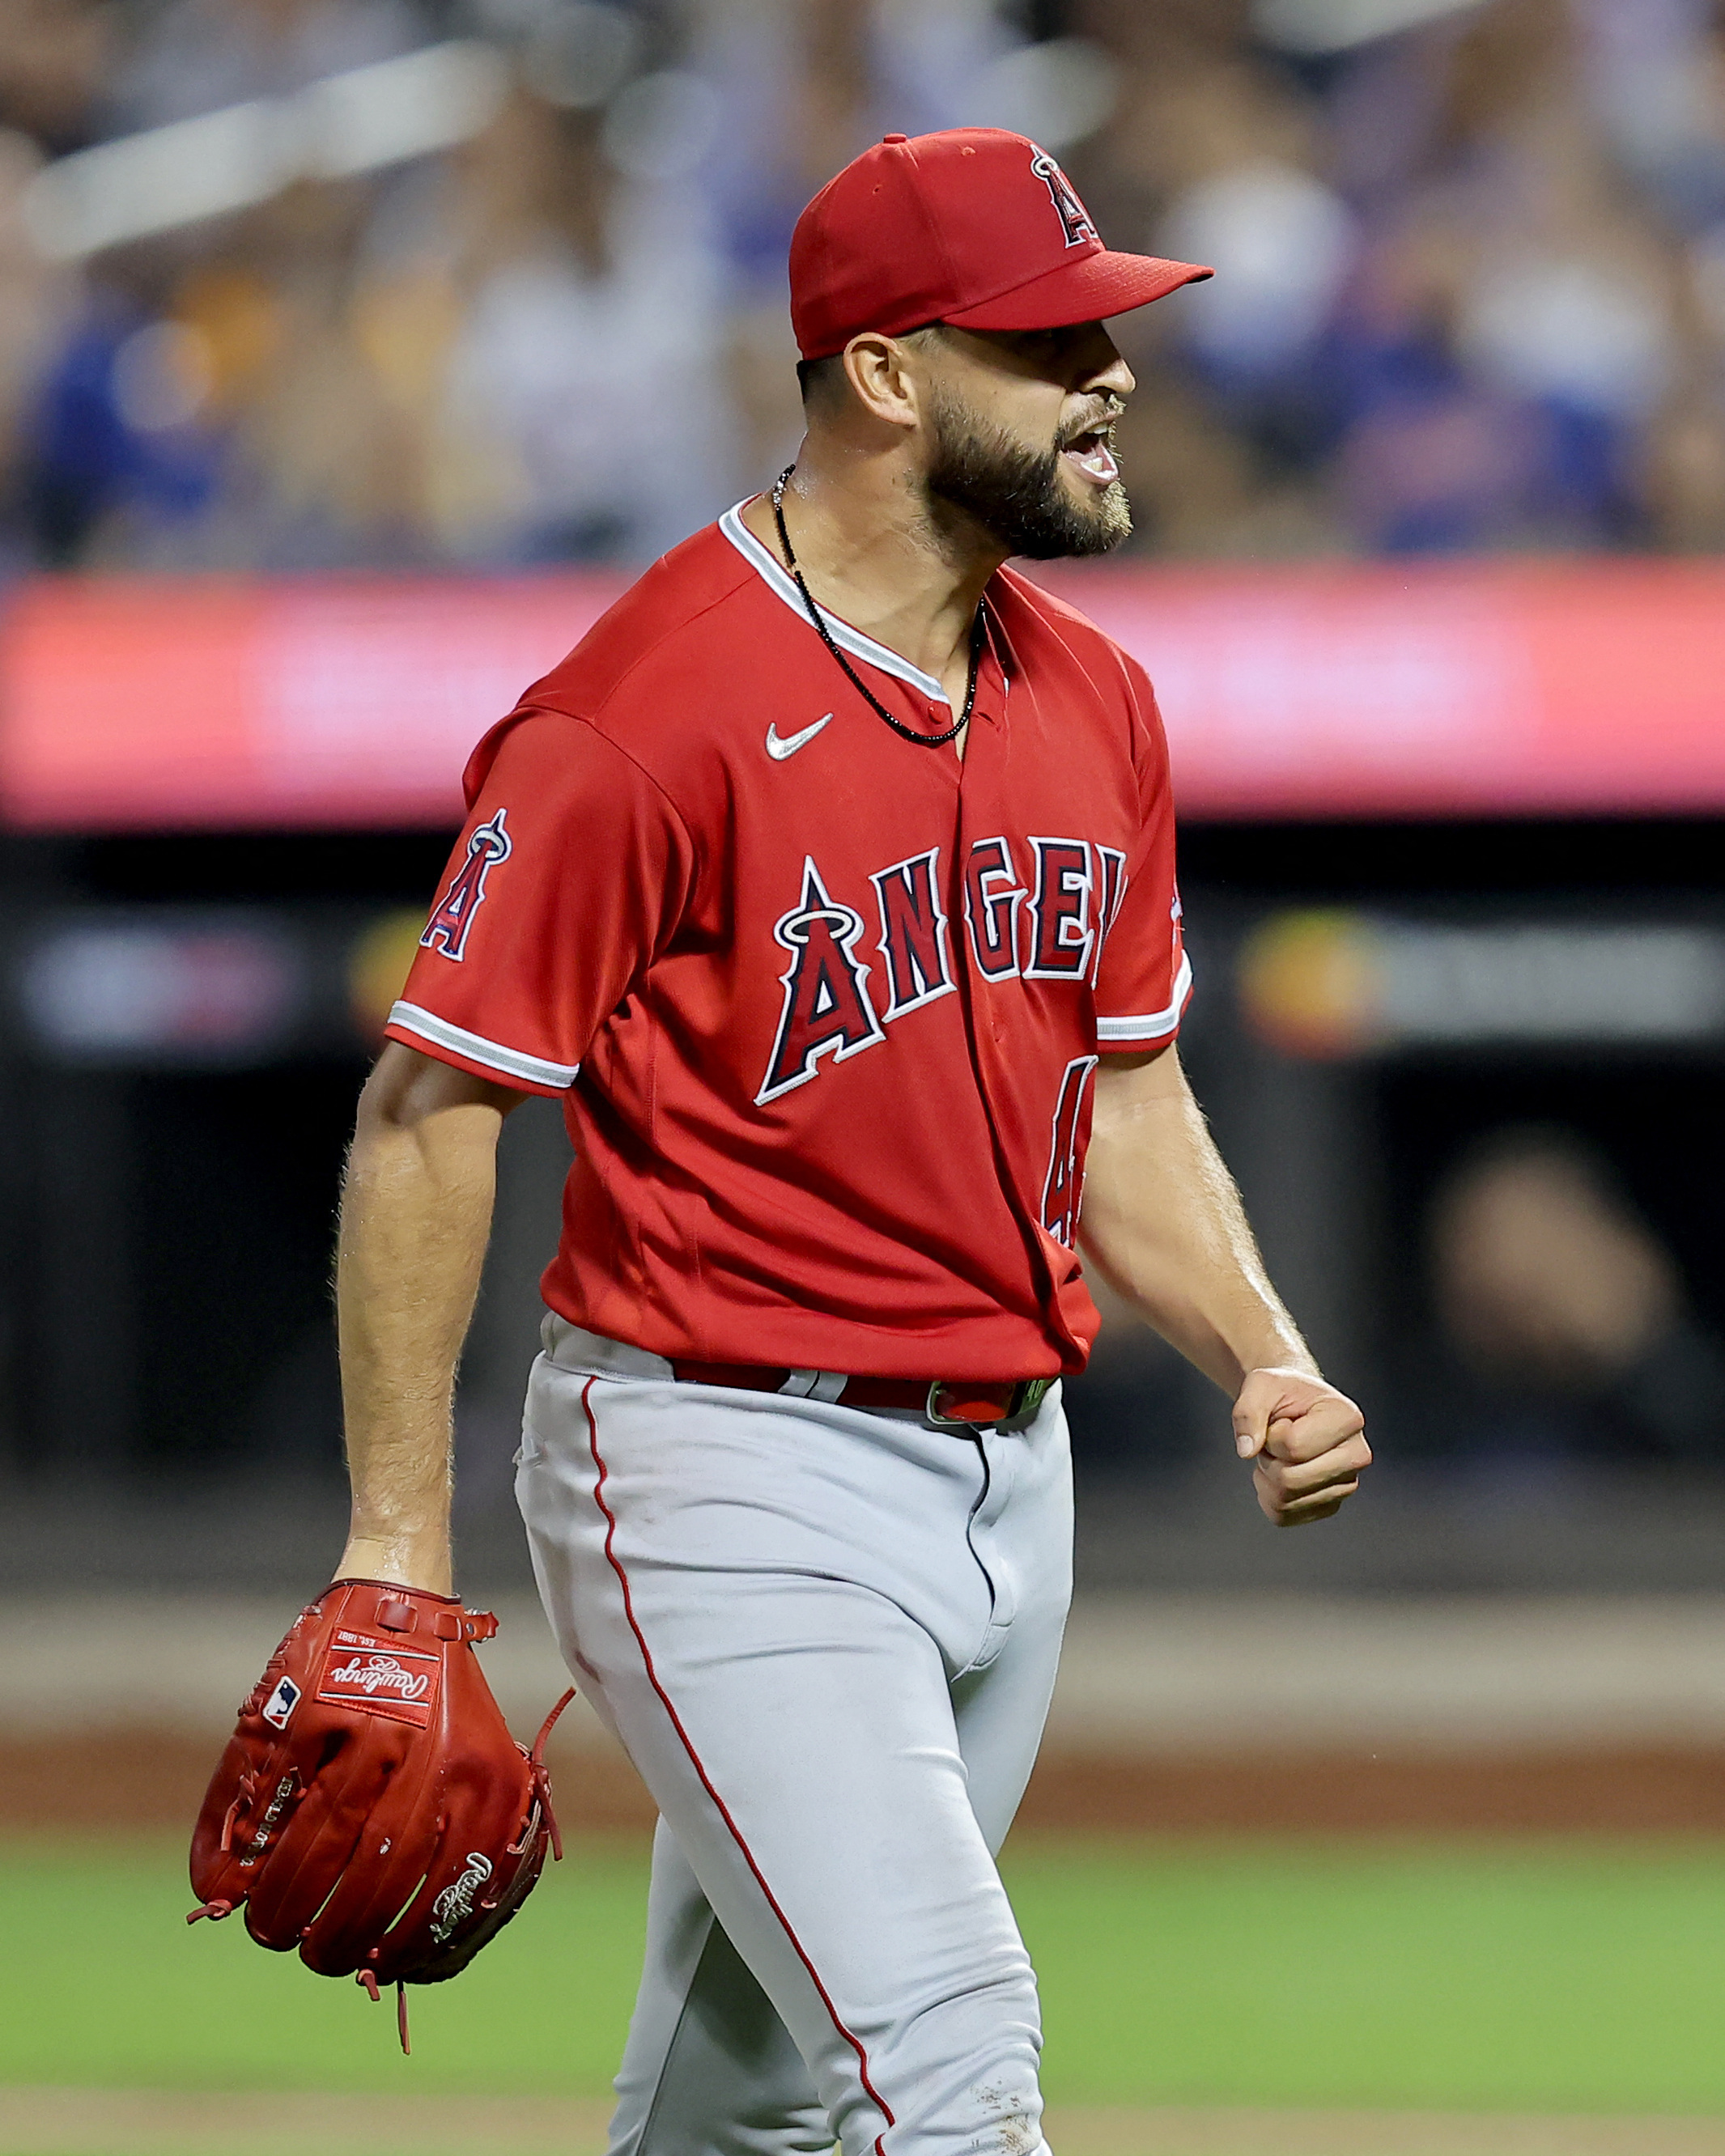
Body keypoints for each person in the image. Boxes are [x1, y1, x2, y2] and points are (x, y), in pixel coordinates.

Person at [335, 127, 1370, 2156]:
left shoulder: (1098, 700)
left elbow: (1124, 1091)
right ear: (886, 373)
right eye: (1053, 336)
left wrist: (1260, 1348)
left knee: (752, 2117)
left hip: (1013, 1478)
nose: (1112, 373)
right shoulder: (643, 715)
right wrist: (392, 1550)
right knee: (953, 2071)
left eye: (1109, 328)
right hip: (725, 1465)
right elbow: (432, 1104)